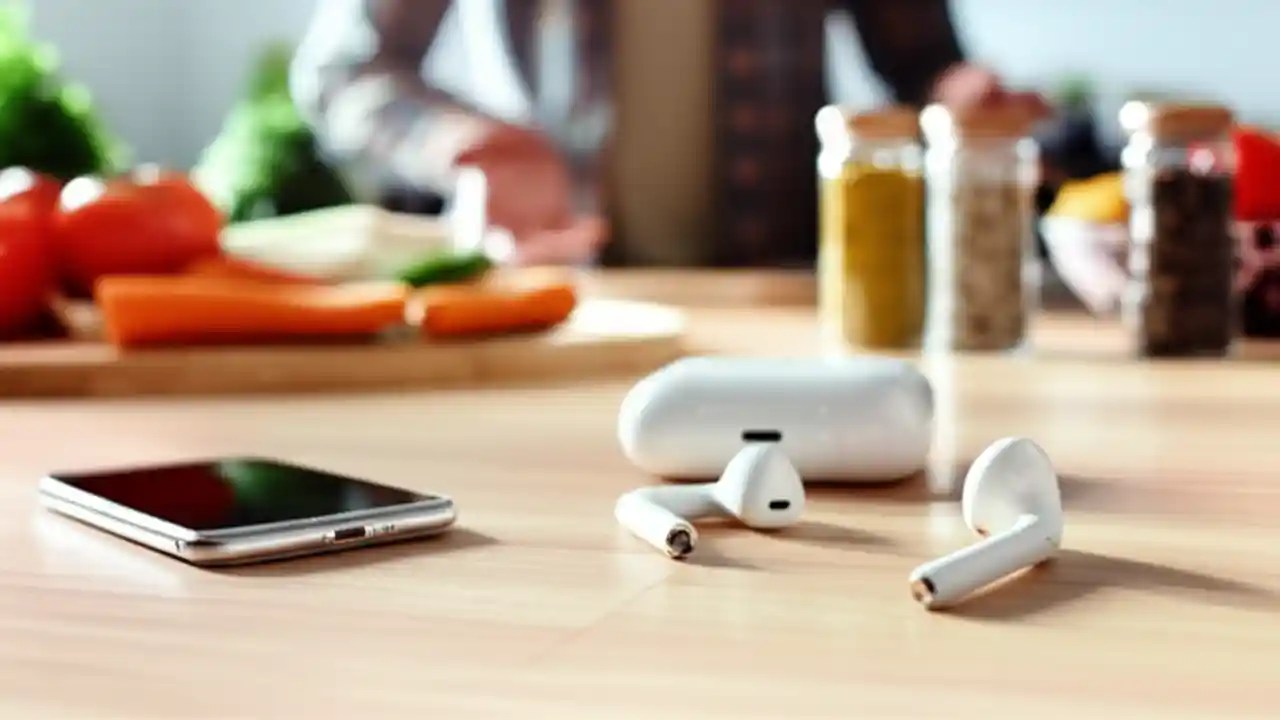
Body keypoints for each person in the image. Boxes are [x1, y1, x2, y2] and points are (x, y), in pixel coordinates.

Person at [292, 0, 1040, 265]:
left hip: (779, 292)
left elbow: (924, 60)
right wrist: (457, 143)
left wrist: (962, 97)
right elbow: (344, 72)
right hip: (565, 296)